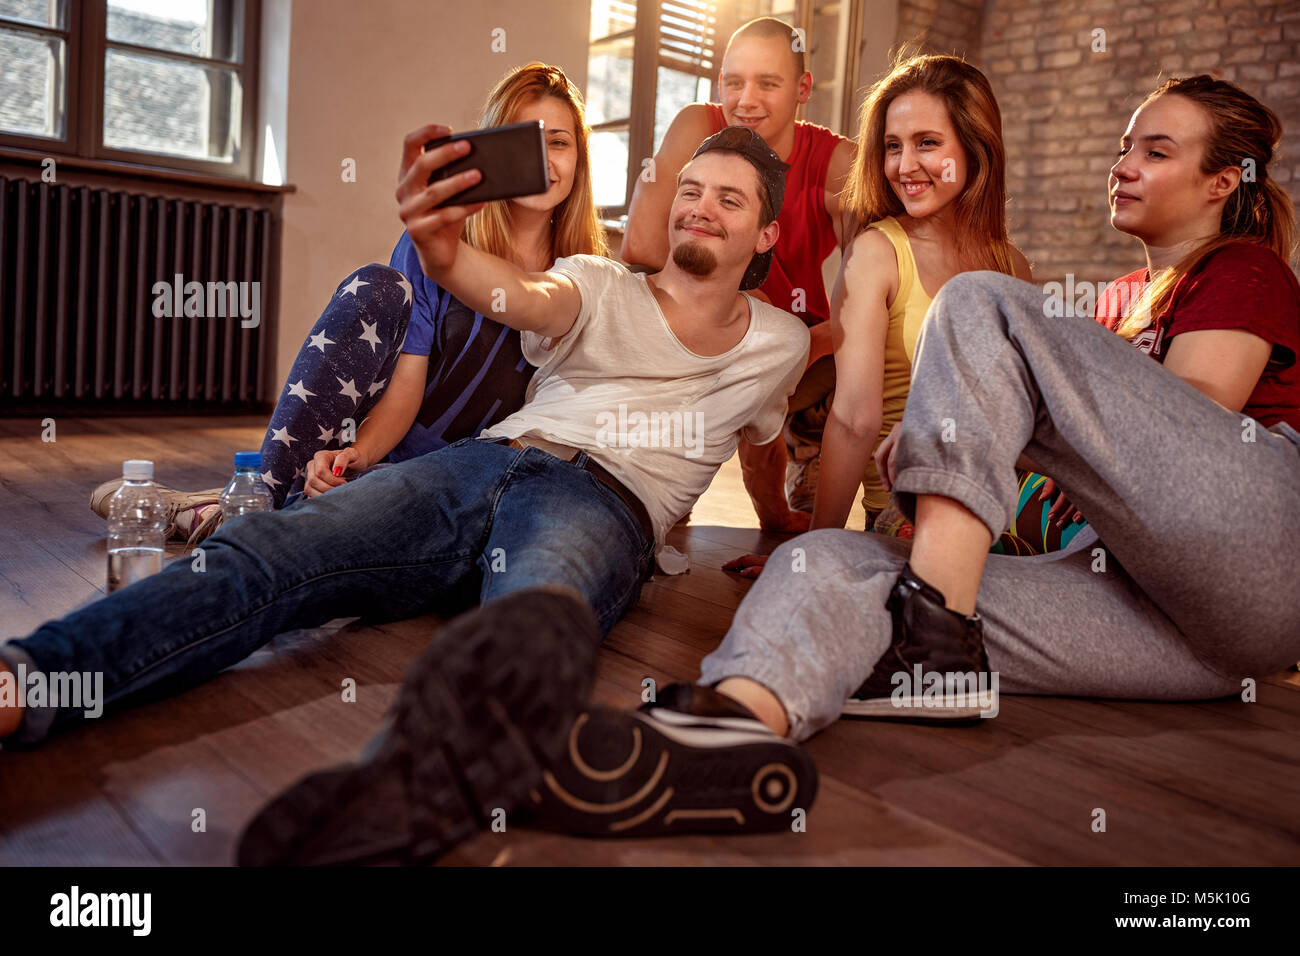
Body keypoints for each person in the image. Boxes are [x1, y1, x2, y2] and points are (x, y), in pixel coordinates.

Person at [475, 73, 1300, 843]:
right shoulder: (1113, 303)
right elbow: (1069, 485)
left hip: (1256, 558)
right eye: (1124, 146)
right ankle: (718, 737)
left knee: (978, 304)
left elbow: (1178, 458)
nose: (1124, 165)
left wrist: (984, 431)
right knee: (826, 562)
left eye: (1155, 151)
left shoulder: (1243, 270)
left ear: (1225, 181)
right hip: (1177, 629)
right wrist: (967, 445)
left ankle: (933, 638)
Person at [0, 124, 815, 865]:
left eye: (729, 199)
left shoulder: (780, 341)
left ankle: (396, 794)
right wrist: (443, 246)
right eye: (690, 192)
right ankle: (29, 680)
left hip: (601, 504)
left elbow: (764, 442)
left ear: (767, 232)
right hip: (477, 465)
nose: (701, 209)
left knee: (533, 622)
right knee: (271, 548)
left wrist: (784, 529)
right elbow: (524, 296)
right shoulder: (600, 281)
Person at [87, 62, 606, 543]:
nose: (542, 160)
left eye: (558, 143)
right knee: (378, 284)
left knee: (349, 526)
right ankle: (255, 501)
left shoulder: (592, 278)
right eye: (526, 142)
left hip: (473, 478)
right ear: (494, 151)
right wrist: (356, 455)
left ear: (579, 158)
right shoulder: (440, 239)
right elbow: (405, 388)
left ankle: (215, 508)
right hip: (385, 446)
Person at [723, 54, 1033, 581]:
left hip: (1000, 507)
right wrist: (816, 550)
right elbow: (854, 419)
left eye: (927, 143)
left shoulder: (1012, 264)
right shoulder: (878, 252)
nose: (904, 165)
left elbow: (1022, 414)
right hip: (908, 512)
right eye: (894, 146)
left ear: (975, 147)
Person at [622, 15, 855, 529]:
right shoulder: (695, 125)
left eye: (767, 83)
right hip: (700, 324)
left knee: (869, 345)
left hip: (802, 340)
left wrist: (803, 339)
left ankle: (810, 453)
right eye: (734, 81)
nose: (745, 100)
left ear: (802, 89)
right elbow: (640, 244)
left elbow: (878, 286)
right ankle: (663, 471)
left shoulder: (838, 160)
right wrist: (740, 310)